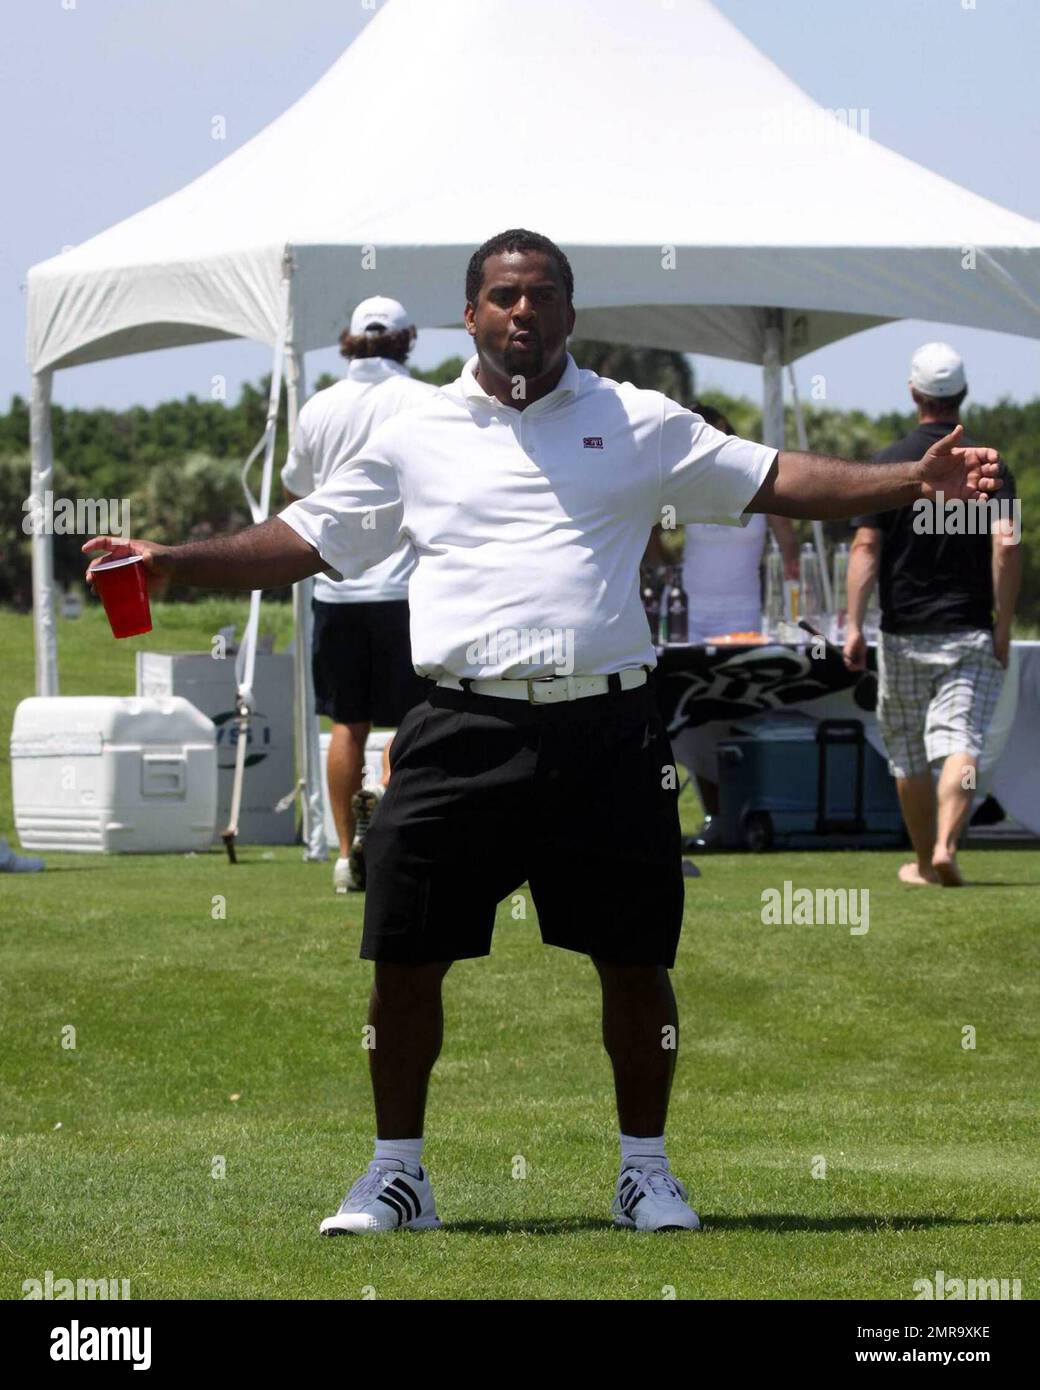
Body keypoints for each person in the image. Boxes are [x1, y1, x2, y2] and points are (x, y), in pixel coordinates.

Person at [84, 230, 1005, 1236]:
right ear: (470, 315)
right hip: (458, 725)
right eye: (503, 296)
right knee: (402, 955)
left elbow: (779, 476)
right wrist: (178, 559)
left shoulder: (639, 420)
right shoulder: (413, 428)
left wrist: (911, 481)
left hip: (608, 727)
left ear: (569, 312)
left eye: (543, 295)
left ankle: (644, 1173)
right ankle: (397, 1175)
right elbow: (302, 538)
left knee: (635, 959)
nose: (522, 311)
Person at [843, 343, 1019, 887]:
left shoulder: (892, 465)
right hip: (968, 629)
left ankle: (925, 861)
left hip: (900, 635)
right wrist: (1004, 626)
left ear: (914, 393)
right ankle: (946, 846)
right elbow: (1007, 546)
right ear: (962, 394)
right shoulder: (989, 464)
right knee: (961, 741)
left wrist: (852, 625)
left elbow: (865, 550)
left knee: (907, 754)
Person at [282, 296, 436, 893]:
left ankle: (347, 856)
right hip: (403, 590)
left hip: (337, 589)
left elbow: (298, 494)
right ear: (406, 340)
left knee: (347, 725)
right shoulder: (424, 401)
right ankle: (396, 840)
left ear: (349, 339)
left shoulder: (318, 406)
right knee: (417, 722)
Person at [648, 403, 799, 849]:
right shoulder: (681, 479)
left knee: (737, 716)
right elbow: (649, 529)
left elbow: (789, 548)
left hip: (745, 618)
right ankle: (714, 816)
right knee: (692, 719)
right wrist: (668, 571)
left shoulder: (757, 479)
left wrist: (793, 606)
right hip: (691, 620)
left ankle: (744, 814)